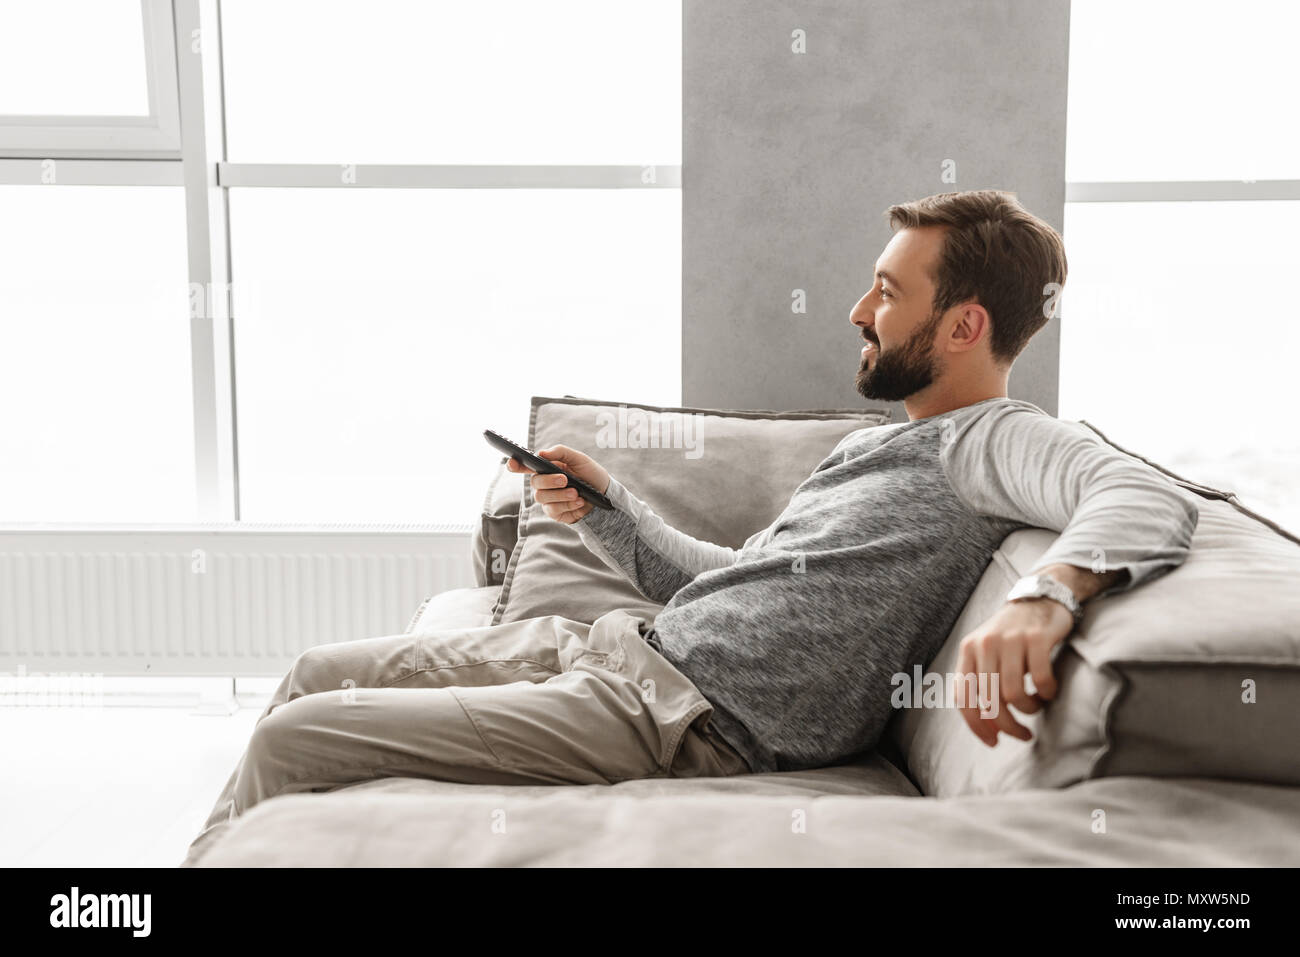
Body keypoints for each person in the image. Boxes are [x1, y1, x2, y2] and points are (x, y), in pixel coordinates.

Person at [184, 189, 1196, 864]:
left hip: (679, 722)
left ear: (964, 325)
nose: (857, 309)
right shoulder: (868, 449)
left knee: (295, 740)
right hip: (619, 650)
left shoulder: (994, 440)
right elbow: (729, 580)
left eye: (888, 293)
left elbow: (1147, 495)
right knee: (317, 669)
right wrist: (610, 507)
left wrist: (1047, 594)